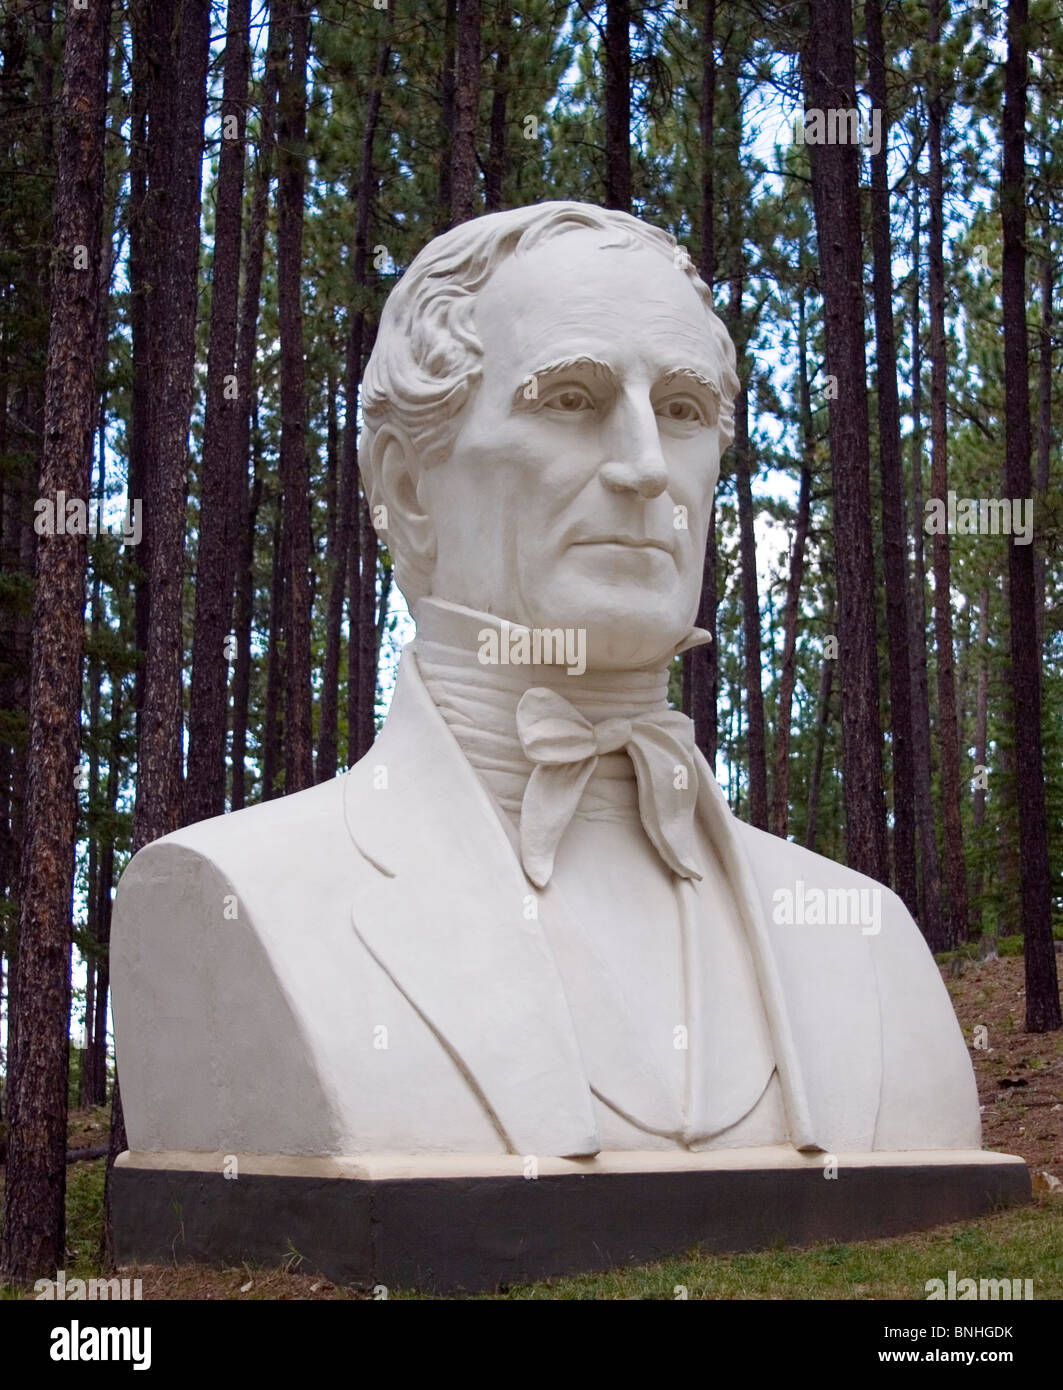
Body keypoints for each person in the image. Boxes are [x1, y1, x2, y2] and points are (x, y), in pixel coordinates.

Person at [111, 201, 979, 1161]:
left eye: (683, 412)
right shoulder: (231, 894)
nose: (647, 468)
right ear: (405, 483)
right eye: (571, 399)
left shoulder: (867, 939)